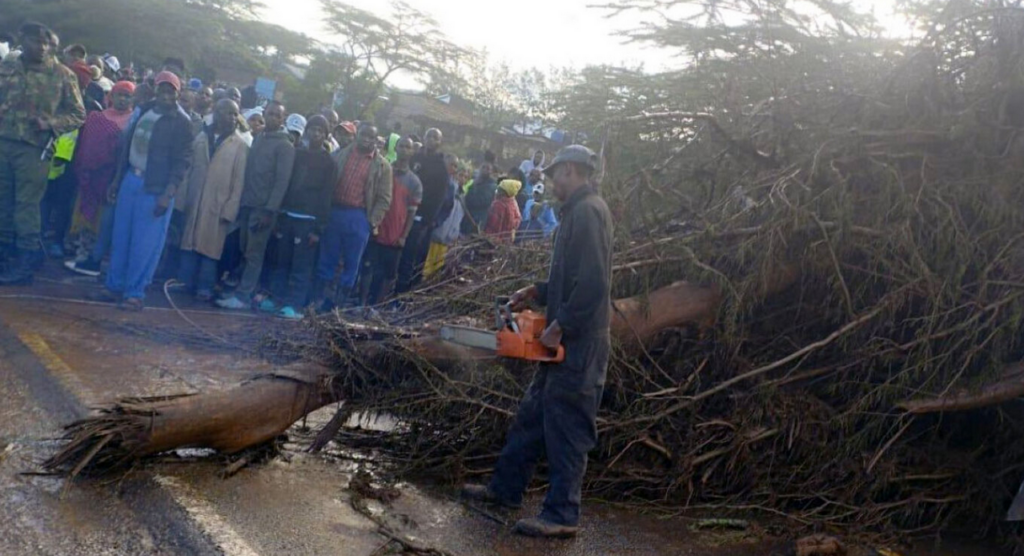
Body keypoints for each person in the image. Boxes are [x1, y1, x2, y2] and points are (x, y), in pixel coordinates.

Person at [461, 145, 613, 539]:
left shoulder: (589, 212)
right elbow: (572, 278)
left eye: (555, 173)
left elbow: (595, 283)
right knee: (531, 418)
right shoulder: (575, 213)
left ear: (573, 172)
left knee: (568, 428)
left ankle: (562, 514)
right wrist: (538, 291)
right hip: (563, 338)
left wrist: (562, 324)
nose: (550, 180)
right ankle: (505, 489)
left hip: (579, 344)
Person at [0, 22, 86, 285]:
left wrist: (50, 124)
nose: (42, 47)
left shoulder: (61, 74)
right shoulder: (7, 68)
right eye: (37, 41)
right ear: (22, 40)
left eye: (46, 43)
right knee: (3, 203)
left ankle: (26, 260)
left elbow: (78, 114)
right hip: (4, 142)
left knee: (26, 206)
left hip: (33, 148)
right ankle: (4, 254)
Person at [103, 71, 194, 310]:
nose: (166, 94)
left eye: (171, 90)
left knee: (145, 244)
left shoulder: (182, 122)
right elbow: (127, 146)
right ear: (155, 89)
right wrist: (116, 180)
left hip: (156, 188)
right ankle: (115, 286)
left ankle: (135, 293)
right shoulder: (142, 110)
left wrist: (168, 194)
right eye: (162, 89)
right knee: (121, 237)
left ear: (178, 93)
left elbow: (182, 161)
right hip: (131, 179)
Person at [217, 101, 294, 310]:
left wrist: (270, 211)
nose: (271, 118)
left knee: (254, 254)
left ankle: (243, 296)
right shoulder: (259, 138)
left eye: (276, 115)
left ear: (282, 119)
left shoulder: (285, 146)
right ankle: (239, 289)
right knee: (244, 249)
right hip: (248, 204)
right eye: (268, 114)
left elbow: (281, 182)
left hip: (263, 209)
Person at [311, 123, 392, 310]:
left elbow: (384, 199)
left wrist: (371, 222)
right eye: (363, 135)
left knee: (351, 263)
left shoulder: (383, 166)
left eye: (371, 137)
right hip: (335, 212)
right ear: (357, 136)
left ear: (376, 140)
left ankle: (338, 306)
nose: (366, 140)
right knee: (327, 258)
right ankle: (320, 301)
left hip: (359, 217)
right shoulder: (340, 155)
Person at [174, 98, 248, 301]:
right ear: (216, 113)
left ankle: (204, 288)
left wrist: (230, 209)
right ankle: (184, 282)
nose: (233, 118)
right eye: (228, 113)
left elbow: (239, 181)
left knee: (210, 250)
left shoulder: (240, 146)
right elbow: (188, 169)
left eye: (235, 114)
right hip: (195, 200)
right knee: (188, 243)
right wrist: (181, 200)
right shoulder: (201, 137)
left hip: (218, 204)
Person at [64, 80, 135, 277]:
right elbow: (86, 146)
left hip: (111, 180)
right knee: (85, 216)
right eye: (119, 95)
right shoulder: (97, 117)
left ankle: (96, 259)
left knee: (104, 221)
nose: (122, 99)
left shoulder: (133, 121)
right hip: (90, 178)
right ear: (111, 96)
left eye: (127, 96)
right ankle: (82, 255)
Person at [271, 115, 336, 319]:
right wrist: (280, 215)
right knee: (282, 261)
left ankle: (295, 305)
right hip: (288, 216)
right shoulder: (297, 154)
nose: (315, 134)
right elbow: (287, 183)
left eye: (320, 131)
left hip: (309, 221)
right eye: (312, 129)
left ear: (326, 135)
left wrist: (319, 229)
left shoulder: (329, 163)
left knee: (302, 266)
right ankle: (275, 299)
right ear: (306, 131)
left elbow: (327, 197)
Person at [359, 136, 420, 307]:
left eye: (408, 147)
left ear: (412, 151)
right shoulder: (383, 169)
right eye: (401, 146)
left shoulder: (415, 182)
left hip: (395, 234)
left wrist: (404, 236)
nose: (404, 150)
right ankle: (361, 303)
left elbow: (411, 213)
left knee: (389, 273)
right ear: (396, 148)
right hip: (376, 228)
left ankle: (377, 306)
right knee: (367, 267)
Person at [396, 128, 447, 293]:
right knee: (395, 253)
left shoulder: (441, 167)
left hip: (421, 219)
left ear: (440, 142)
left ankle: (404, 294)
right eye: (429, 136)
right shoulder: (414, 158)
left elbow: (440, 197)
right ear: (424, 138)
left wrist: (428, 220)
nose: (431, 139)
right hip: (401, 212)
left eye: (435, 137)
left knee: (412, 258)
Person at [423, 154, 463, 280]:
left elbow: (447, 208)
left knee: (435, 267)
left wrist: (437, 222)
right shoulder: (433, 178)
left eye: (456, 166)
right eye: (452, 164)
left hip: (441, 231)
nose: (454, 168)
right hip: (427, 228)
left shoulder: (454, 187)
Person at [484, 179, 523, 244]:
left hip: (495, 242)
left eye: (499, 189)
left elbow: (493, 226)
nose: (497, 191)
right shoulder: (513, 202)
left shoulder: (498, 204)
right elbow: (518, 219)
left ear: (504, 192)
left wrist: (490, 238)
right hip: (508, 241)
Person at [462, 163, 496, 235]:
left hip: (477, 219)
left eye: (487, 169)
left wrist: (468, 197)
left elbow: (479, 201)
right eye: (483, 167)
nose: (484, 170)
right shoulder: (476, 181)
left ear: (491, 172)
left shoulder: (491, 186)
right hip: (467, 217)